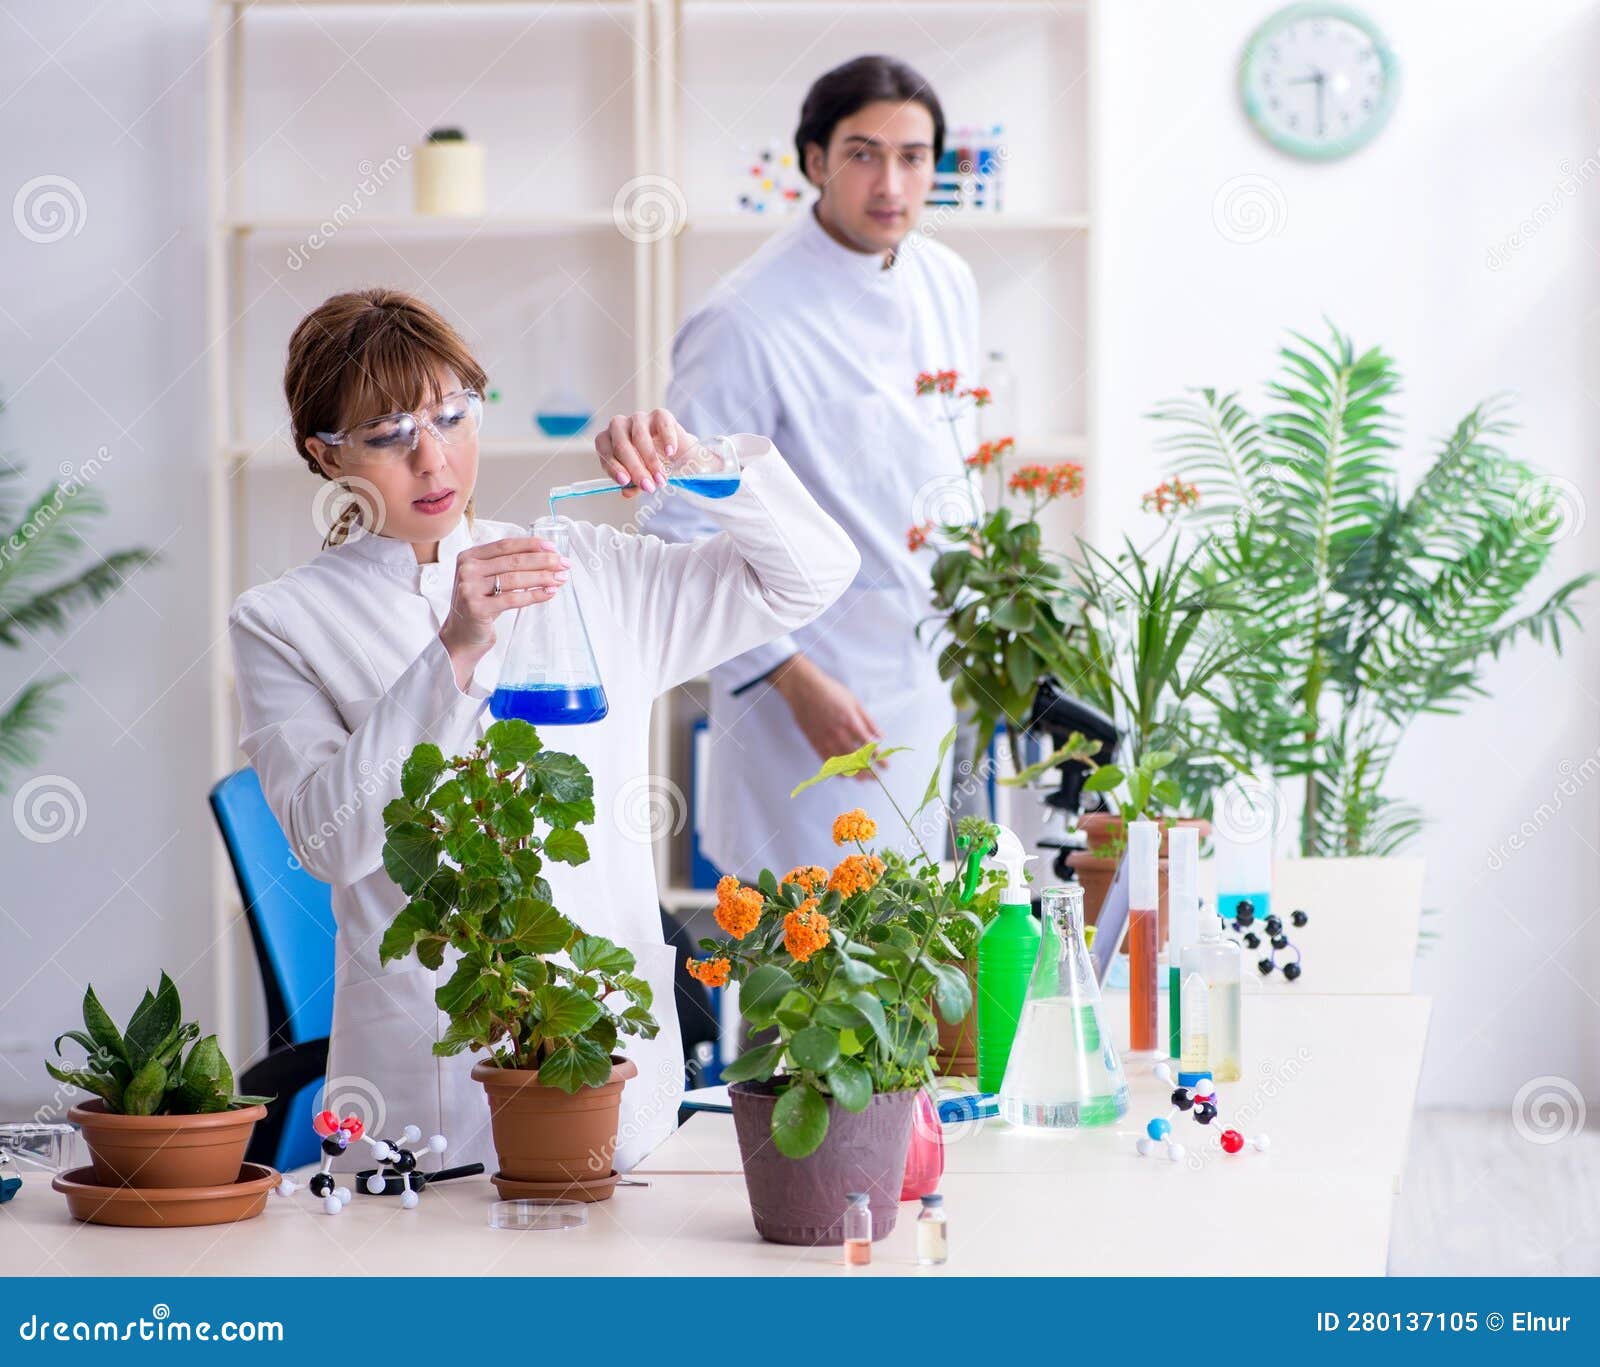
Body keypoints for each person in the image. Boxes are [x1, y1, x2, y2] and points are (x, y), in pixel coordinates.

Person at [227, 288, 858, 1172]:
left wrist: (701, 464)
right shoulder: (283, 621)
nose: (433, 456)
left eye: (452, 415)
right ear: (322, 453)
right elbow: (334, 839)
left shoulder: (582, 564)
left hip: (618, 1074)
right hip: (430, 1096)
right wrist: (454, 647)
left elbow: (811, 576)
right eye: (387, 434)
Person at [648, 54, 979, 877]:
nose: (891, 183)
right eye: (864, 153)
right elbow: (682, 526)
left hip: (927, 683)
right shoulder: (744, 319)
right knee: (804, 969)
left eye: (913, 156)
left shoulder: (948, 283)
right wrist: (793, 678)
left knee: (916, 966)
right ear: (815, 161)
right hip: (807, 705)